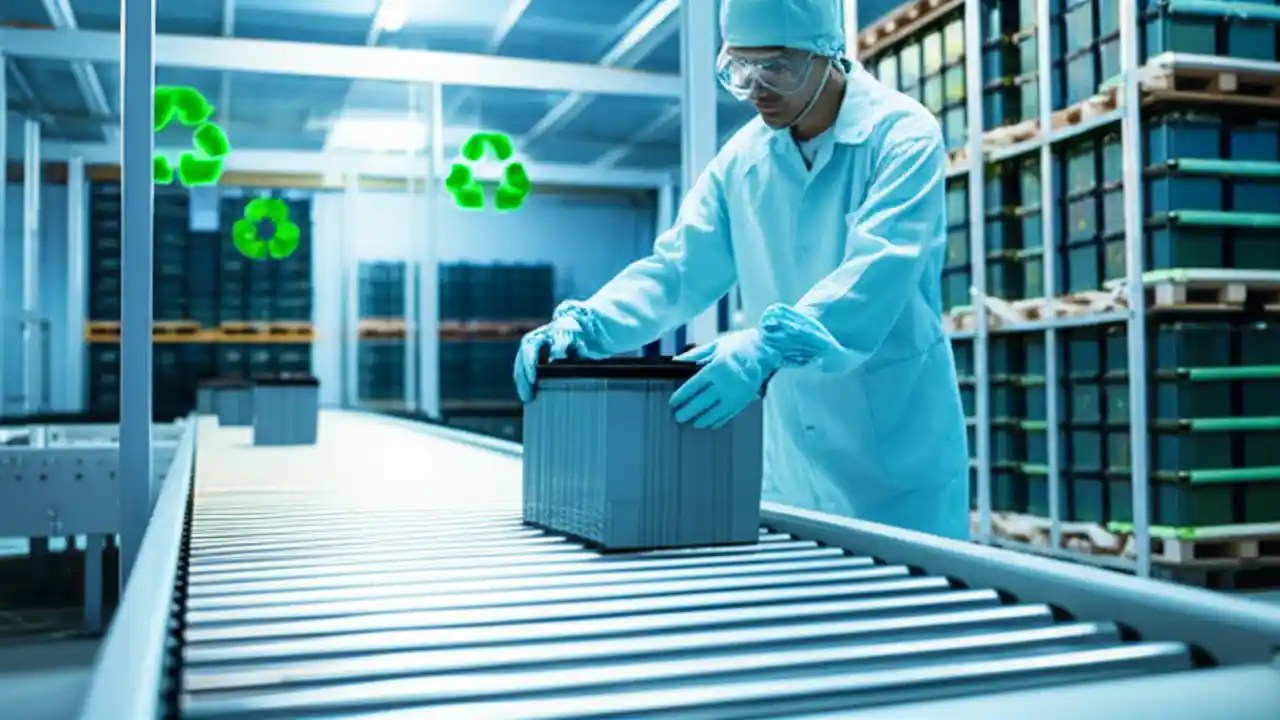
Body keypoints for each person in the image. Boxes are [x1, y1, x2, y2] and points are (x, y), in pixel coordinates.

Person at [512, 0, 970, 540]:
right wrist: (589, 325)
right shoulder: (742, 162)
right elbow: (676, 271)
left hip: (897, 466)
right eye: (740, 68)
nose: (756, 89)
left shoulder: (901, 136)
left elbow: (876, 272)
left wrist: (764, 347)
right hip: (792, 467)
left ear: (828, 49)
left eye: (776, 67)